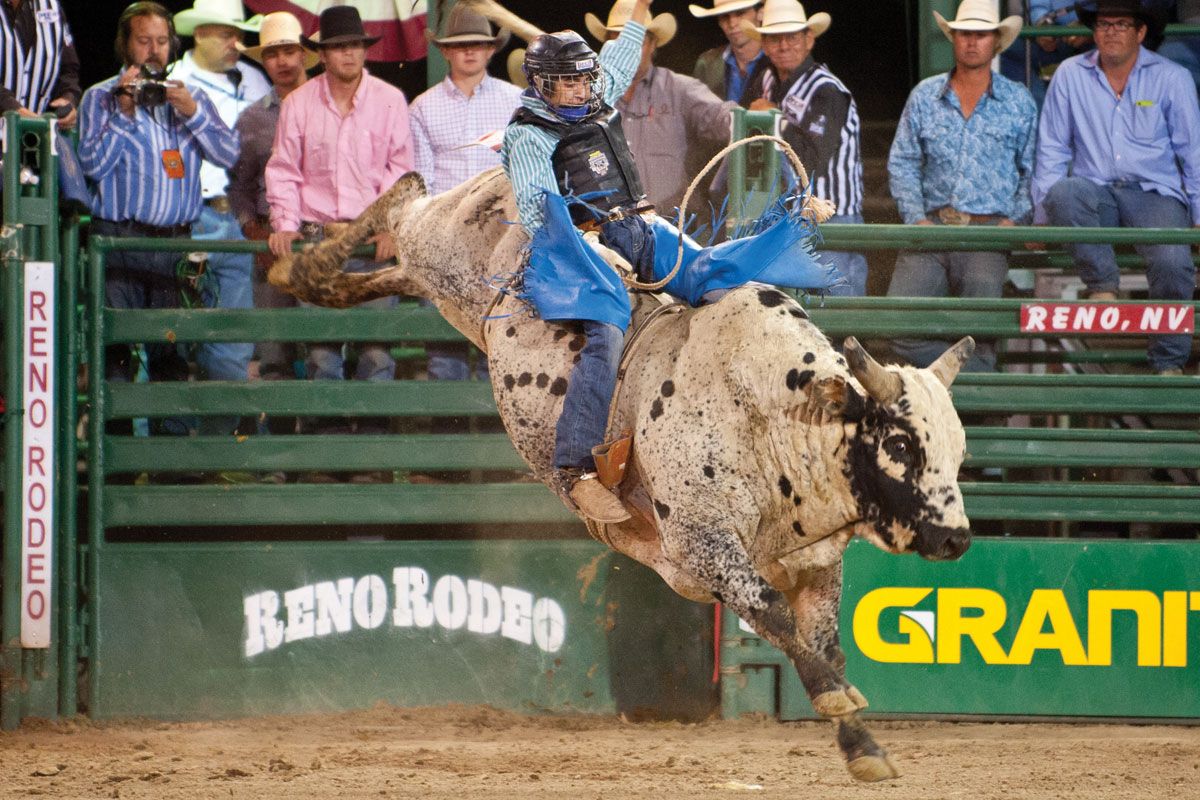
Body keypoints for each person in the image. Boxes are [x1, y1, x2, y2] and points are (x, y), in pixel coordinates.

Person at [502, 0, 657, 523]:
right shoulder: (529, 133)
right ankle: (575, 467)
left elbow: (618, 57)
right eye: (568, 82)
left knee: (711, 274)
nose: (581, 89)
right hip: (574, 243)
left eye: (584, 80)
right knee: (608, 331)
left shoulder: (594, 91)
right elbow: (537, 208)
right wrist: (591, 248)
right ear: (544, 86)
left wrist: (637, 11)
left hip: (634, 223)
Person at [78, 1, 239, 434]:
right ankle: (117, 467)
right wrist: (125, 113)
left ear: (173, 45)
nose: (153, 50)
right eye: (143, 40)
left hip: (173, 245)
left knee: (171, 353)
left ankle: (171, 465)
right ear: (125, 44)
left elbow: (228, 154)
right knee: (115, 356)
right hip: (118, 242)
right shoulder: (100, 97)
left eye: (162, 41)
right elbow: (92, 165)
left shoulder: (190, 97)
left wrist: (193, 112)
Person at [265, 5, 413, 477]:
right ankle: (328, 461)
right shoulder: (298, 104)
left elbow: (399, 168)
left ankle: (371, 463)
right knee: (323, 355)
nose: (348, 53)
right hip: (317, 240)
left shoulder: (390, 101)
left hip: (370, 243)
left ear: (363, 50)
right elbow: (285, 169)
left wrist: (391, 225)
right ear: (324, 54)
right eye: (338, 46)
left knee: (375, 353)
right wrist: (284, 222)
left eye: (354, 45)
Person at [1033, 0, 1200, 375]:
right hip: (1096, 192)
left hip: (1155, 194)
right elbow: (1052, 147)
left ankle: (1168, 363)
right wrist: (1041, 218)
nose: (1111, 31)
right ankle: (1103, 285)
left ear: (1141, 32)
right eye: (1103, 23)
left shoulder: (1172, 77)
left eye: (1121, 23)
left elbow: (1194, 151)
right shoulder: (1070, 74)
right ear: (1093, 31)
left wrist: (1199, 215)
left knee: (1173, 261)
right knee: (1062, 193)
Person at [887, 0, 1036, 373]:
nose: (971, 42)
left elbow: (1033, 170)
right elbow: (902, 160)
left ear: (995, 42)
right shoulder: (924, 95)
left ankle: (980, 413)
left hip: (989, 231)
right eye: (964, 33)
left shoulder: (1018, 101)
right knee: (896, 323)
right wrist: (917, 218)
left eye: (980, 34)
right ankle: (988, 389)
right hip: (933, 226)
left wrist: (1012, 223)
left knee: (979, 332)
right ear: (953, 38)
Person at [411, 3, 520, 401]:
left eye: (478, 44)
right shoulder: (423, 107)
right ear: (445, 52)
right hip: (448, 242)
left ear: (491, 50)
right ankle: (448, 450)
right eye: (460, 46)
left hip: (504, 242)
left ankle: (496, 447)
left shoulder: (515, 102)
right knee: (447, 350)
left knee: (510, 343)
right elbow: (423, 182)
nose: (470, 52)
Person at [170, 0, 268, 437]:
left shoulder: (252, 79)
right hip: (189, 216)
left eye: (239, 34)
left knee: (231, 342)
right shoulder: (172, 81)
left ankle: (215, 447)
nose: (237, 43)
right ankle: (171, 451)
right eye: (228, 34)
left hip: (236, 219)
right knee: (176, 338)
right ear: (200, 34)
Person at [227, 11, 316, 444]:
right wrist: (251, 228)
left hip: (320, 238)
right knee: (276, 350)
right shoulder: (251, 119)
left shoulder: (327, 106)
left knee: (323, 349)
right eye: (274, 53)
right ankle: (282, 451)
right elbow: (239, 185)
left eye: (289, 51)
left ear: (303, 54)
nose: (282, 61)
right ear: (265, 61)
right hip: (270, 242)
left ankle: (322, 452)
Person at [740, 0, 867, 296]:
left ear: (808, 40)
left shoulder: (828, 89)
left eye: (792, 36)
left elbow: (812, 158)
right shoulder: (767, 79)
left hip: (833, 217)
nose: (784, 45)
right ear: (765, 45)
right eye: (774, 37)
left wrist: (774, 117)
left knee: (836, 312)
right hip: (785, 218)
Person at [585, 0, 736, 219]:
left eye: (637, 41)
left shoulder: (678, 88)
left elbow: (723, 117)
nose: (629, 51)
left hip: (673, 221)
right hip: (609, 223)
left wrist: (749, 120)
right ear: (608, 47)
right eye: (619, 41)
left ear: (653, 44)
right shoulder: (589, 97)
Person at [0, 0, 79, 129]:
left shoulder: (51, 6)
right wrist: (14, 110)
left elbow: (68, 70)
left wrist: (68, 99)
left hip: (35, 140)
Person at [689, 0, 766, 103]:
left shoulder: (779, 61)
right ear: (719, 22)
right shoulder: (707, 63)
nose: (732, 24)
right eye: (725, 16)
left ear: (760, 14)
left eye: (740, 13)